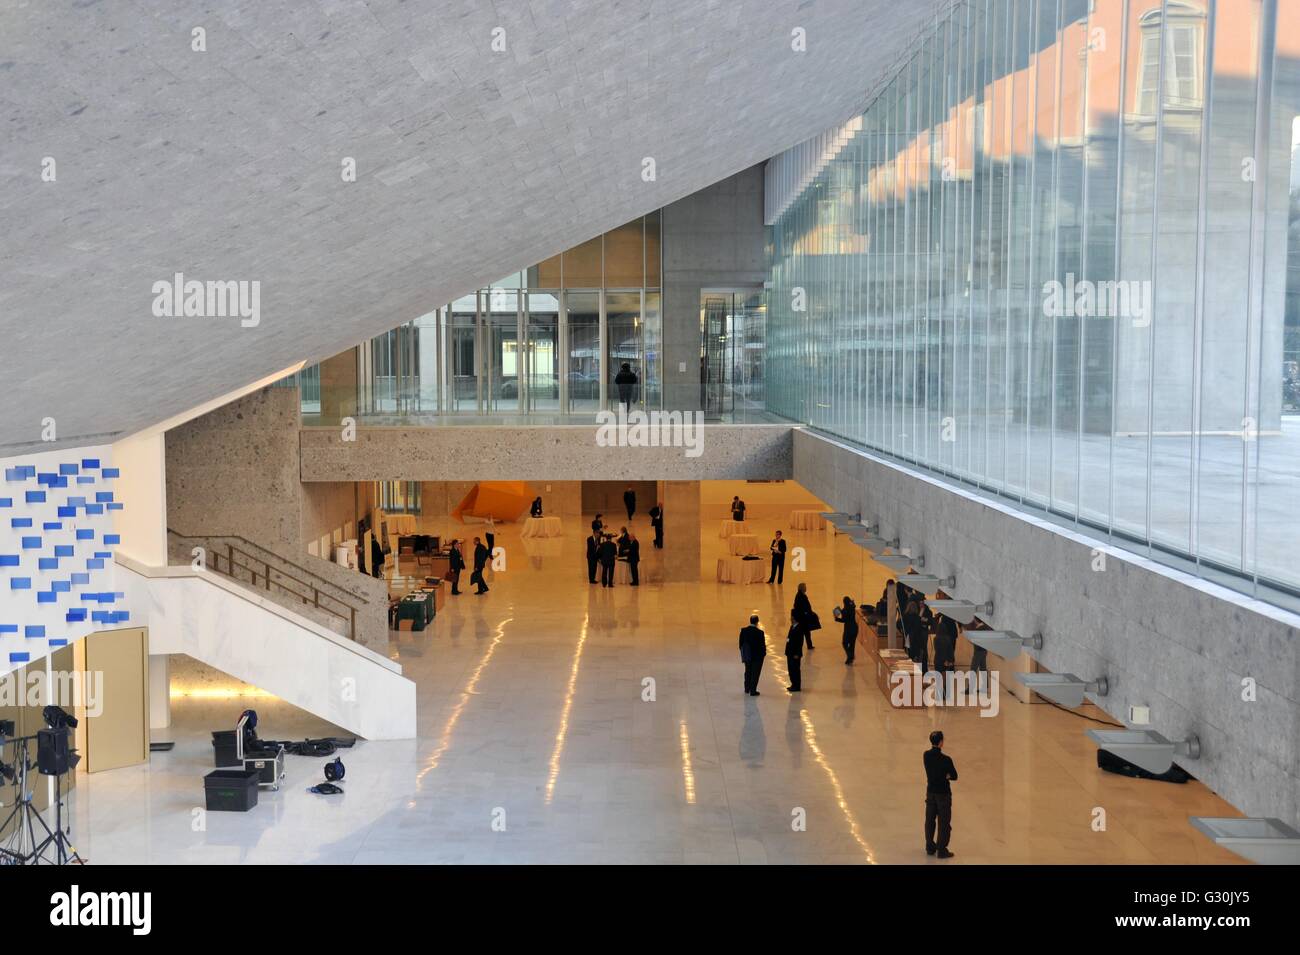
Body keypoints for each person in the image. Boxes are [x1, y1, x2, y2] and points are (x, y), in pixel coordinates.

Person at [924, 730, 958, 858]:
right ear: (941, 742)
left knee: (929, 820)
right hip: (943, 794)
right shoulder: (946, 759)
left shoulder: (926, 755)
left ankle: (929, 846)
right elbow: (954, 776)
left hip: (930, 792)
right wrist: (946, 775)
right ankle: (942, 849)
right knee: (943, 822)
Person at [738, 614, 766, 696]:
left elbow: (741, 644)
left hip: (748, 656)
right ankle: (753, 690)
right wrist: (763, 654)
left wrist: (744, 653)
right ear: (757, 622)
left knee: (748, 671)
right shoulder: (760, 633)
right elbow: (762, 646)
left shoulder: (744, 631)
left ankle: (747, 688)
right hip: (757, 657)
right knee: (755, 673)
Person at [903, 599, 928, 672]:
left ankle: (909, 670)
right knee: (917, 655)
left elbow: (900, 625)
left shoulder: (905, 616)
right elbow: (919, 628)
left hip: (908, 638)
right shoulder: (917, 618)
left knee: (909, 654)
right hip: (917, 639)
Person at [792, 581, 816, 650]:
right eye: (805, 587)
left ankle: (809, 645)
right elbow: (802, 607)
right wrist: (808, 613)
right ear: (802, 588)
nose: (806, 588)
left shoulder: (801, 595)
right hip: (802, 619)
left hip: (802, 618)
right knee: (804, 633)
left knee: (806, 633)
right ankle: (806, 646)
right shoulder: (801, 596)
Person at [835, 596, 859, 664]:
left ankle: (850, 655)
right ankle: (850, 659)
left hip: (848, 629)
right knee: (852, 644)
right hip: (855, 628)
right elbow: (853, 605)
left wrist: (837, 619)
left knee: (844, 643)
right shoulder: (852, 607)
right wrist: (852, 602)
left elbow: (844, 620)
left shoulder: (844, 610)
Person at [784, 612, 804, 692]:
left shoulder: (799, 628)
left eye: (792, 618)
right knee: (791, 669)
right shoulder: (792, 627)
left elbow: (800, 643)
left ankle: (797, 686)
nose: (790, 619)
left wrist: (797, 654)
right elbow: (789, 638)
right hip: (789, 652)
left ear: (795, 619)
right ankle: (793, 684)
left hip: (795, 654)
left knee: (795, 670)